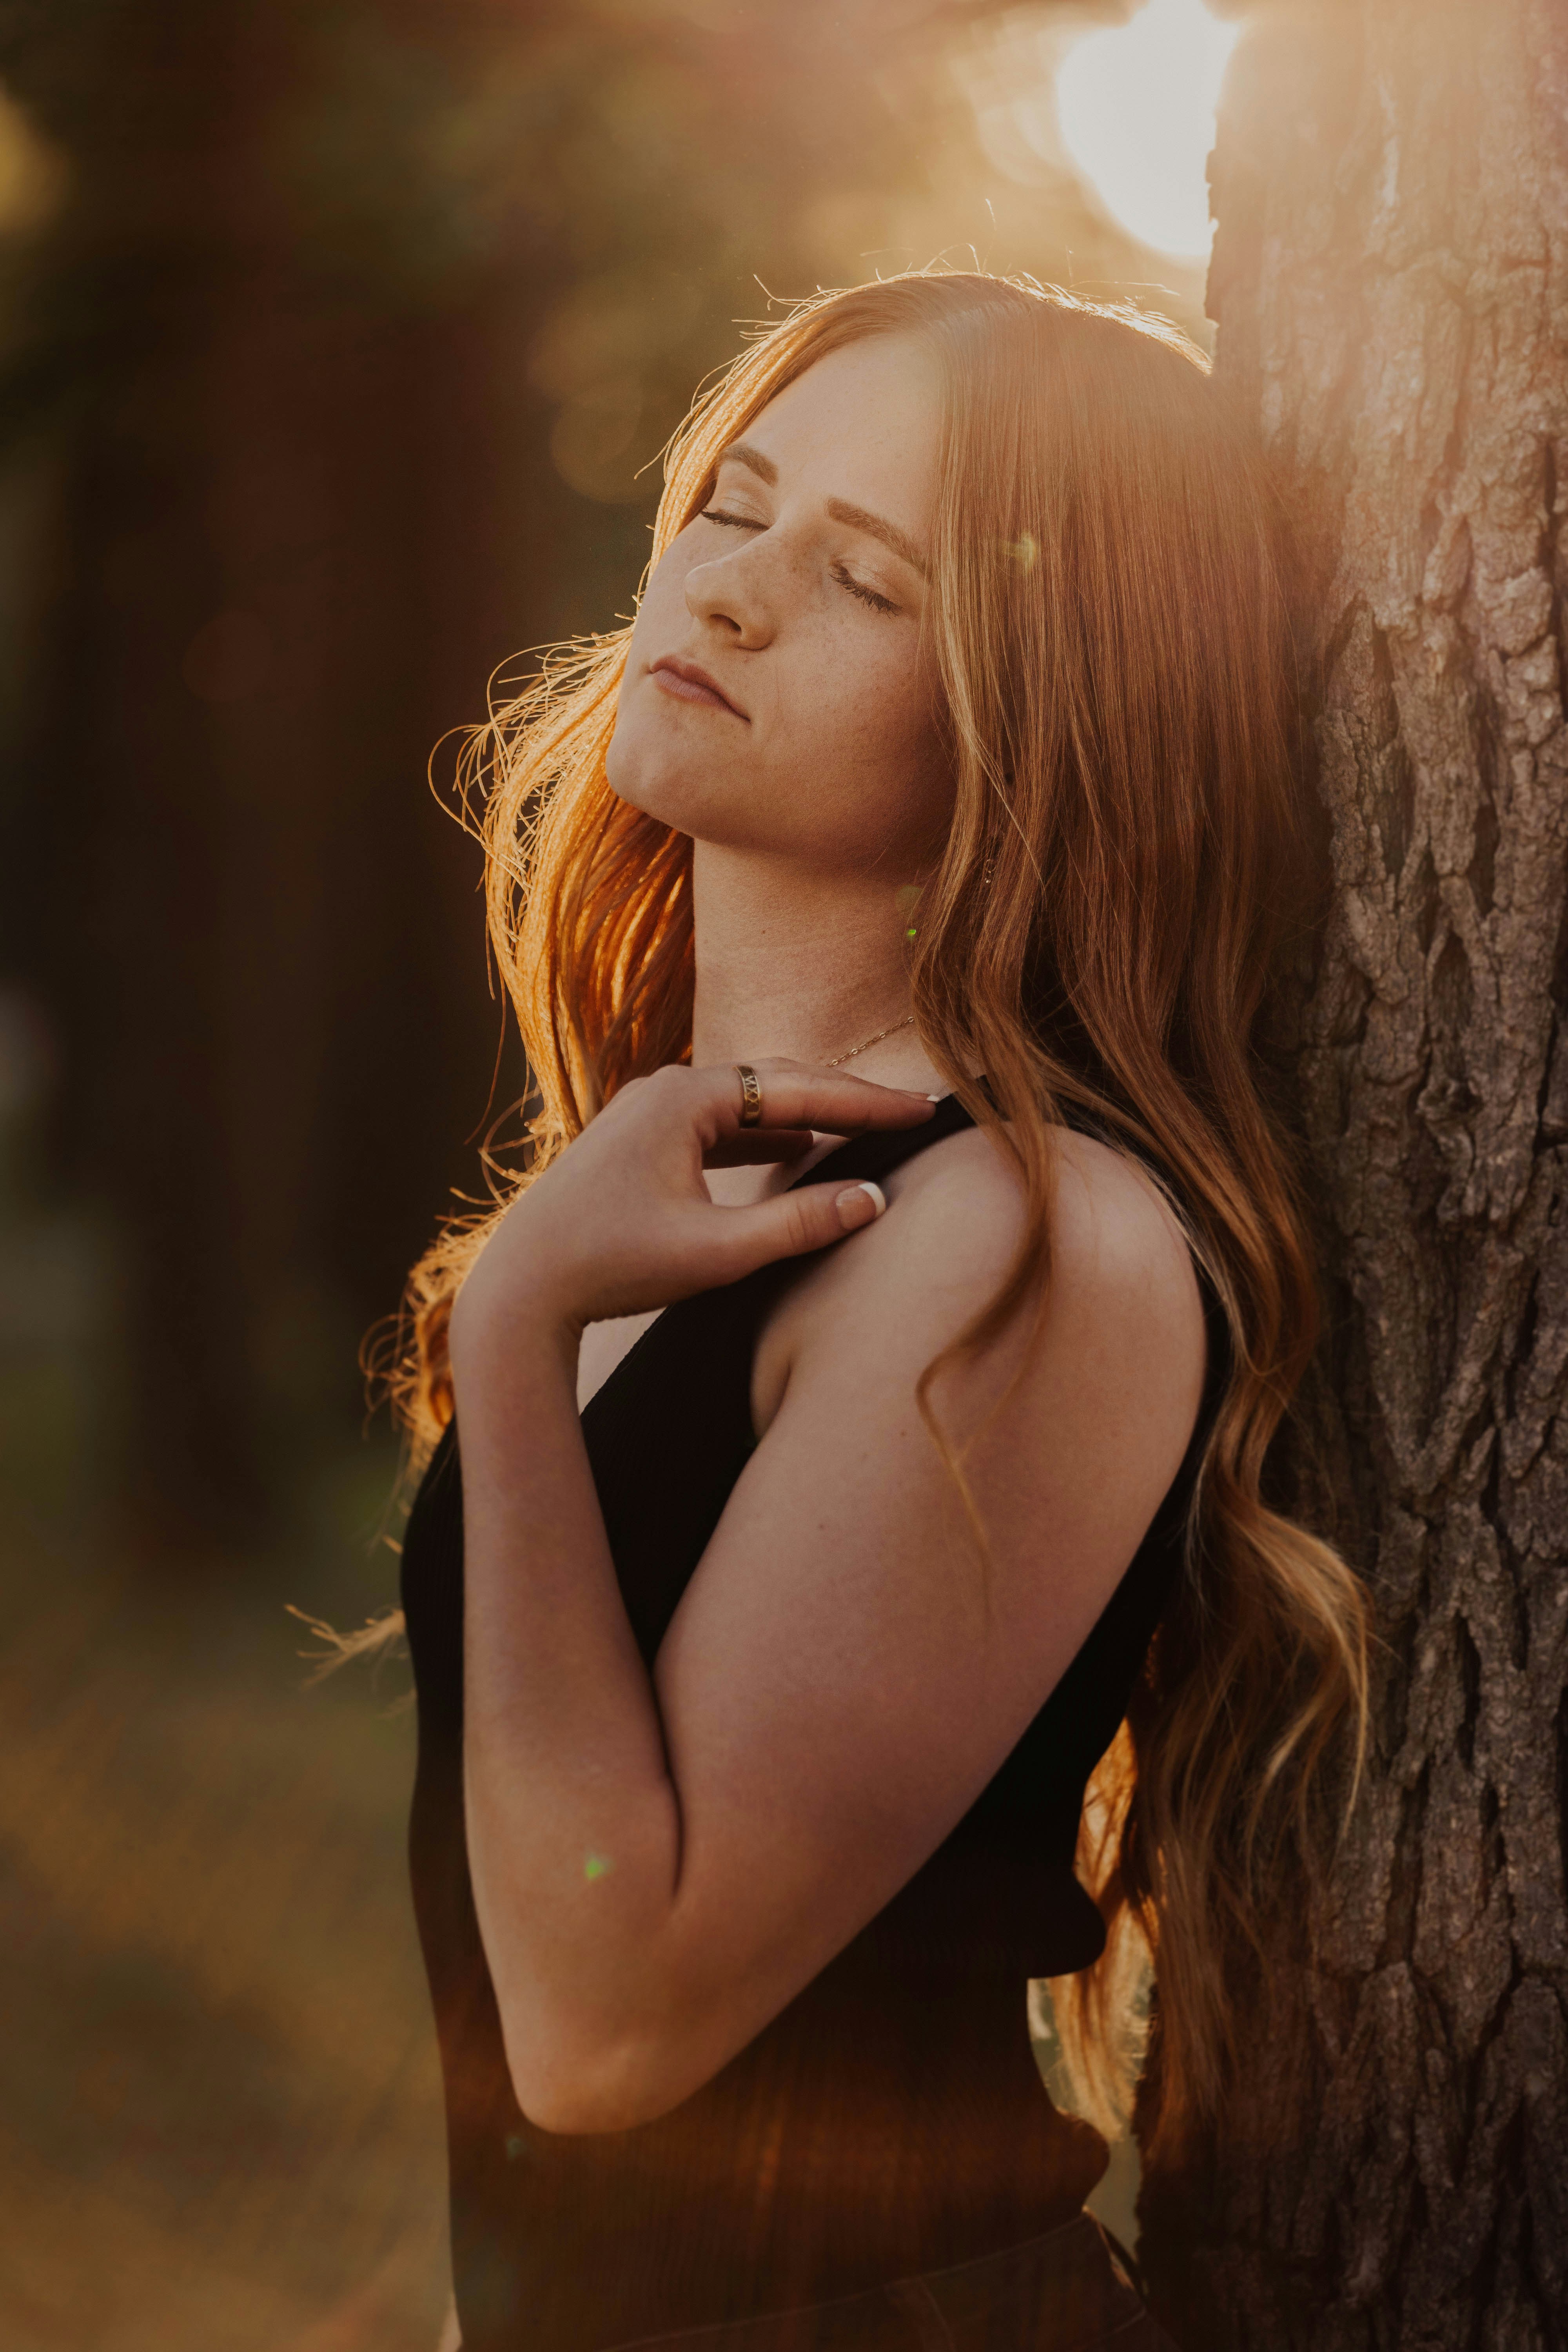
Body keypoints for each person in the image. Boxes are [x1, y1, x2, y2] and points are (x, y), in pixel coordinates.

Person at [390, 270, 1369, 2352]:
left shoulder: (1028, 1245)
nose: (727, 595)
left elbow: (607, 2030)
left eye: (863, 578)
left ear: (1050, 706)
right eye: (731, 508)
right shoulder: (713, 1197)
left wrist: (514, 1333)